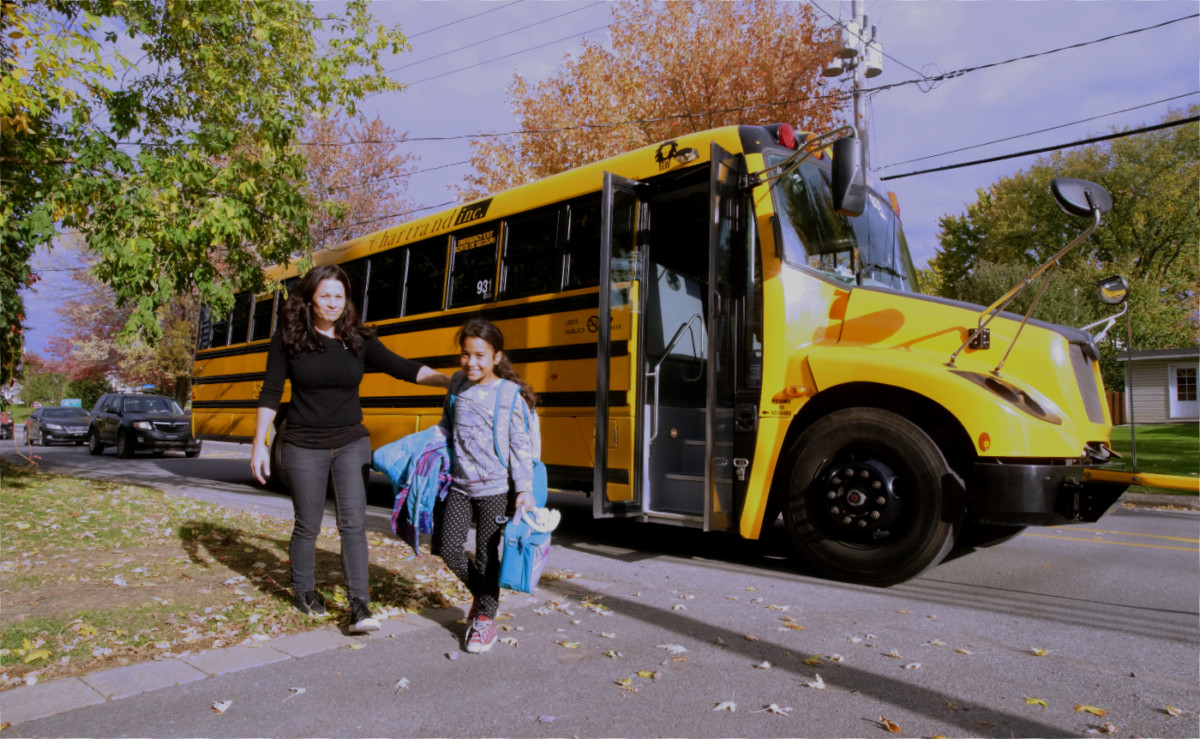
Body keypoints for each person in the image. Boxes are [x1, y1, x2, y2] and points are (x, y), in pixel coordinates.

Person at [250, 264, 450, 633]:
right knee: (307, 524)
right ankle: (304, 592)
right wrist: (260, 443)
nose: (332, 303)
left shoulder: (357, 338)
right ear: (310, 299)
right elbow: (271, 391)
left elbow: (402, 368)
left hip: (350, 442)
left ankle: (360, 605)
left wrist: (449, 382)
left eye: (339, 296)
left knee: (353, 525)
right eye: (325, 295)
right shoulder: (288, 338)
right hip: (303, 444)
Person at [439, 317, 538, 653]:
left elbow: (520, 445)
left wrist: (524, 489)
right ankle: (485, 596)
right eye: (465, 354)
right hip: (459, 485)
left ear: (497, 357)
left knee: (486, 555)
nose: (471, 362)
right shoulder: (457, 384)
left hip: (495, 489)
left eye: (480, 355)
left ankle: (485, 619)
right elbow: (446, 424)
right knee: (449, 549)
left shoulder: (508, 394)